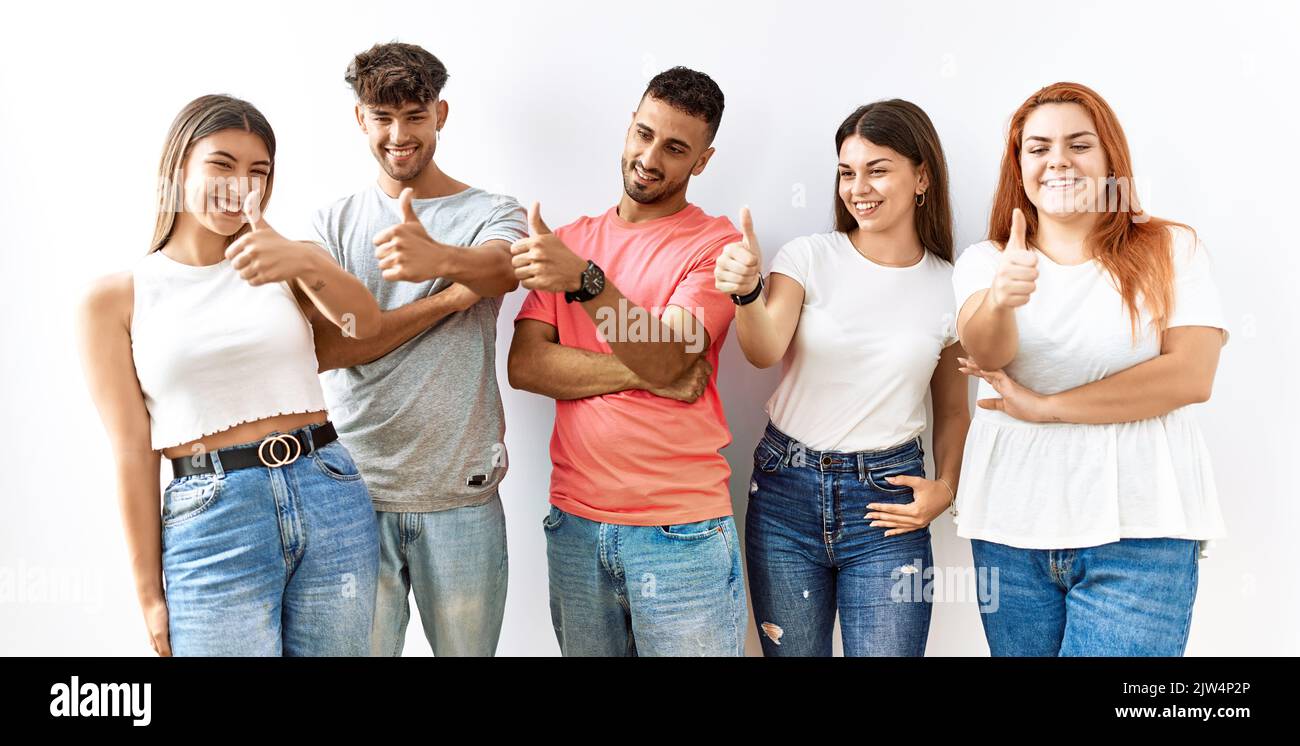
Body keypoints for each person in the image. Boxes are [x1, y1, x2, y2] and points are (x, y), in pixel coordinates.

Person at [75, 94, 382, 656]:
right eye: (222, 164)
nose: (241, 185)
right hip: (212, 518)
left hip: (330, 493)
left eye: (258, 171)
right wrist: (148, 593)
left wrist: (304, 261)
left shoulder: (287, 261)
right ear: (178, 167)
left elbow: (364, 325)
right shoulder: (116, 299)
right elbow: (132, 450)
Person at [952, 81, 1229, 656]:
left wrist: (1047, 407)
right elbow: (988, 356)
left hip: (1141, 532)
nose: (1058, 161)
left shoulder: (1171, 249)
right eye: (1039, 148)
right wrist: (1000, 298)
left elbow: (1190, 375)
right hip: (1011, 531)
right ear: (1019, 165)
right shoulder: (986, 261)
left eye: (1079, 145)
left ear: (1110, 160)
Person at [716, 100, 969, 656]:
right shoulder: (807, 256)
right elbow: (763, 350)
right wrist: (748, 293)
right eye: (847, 172)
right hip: (786, 494)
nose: (859, 188)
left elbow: (953, 409)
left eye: (877, 170)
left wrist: (946, 488)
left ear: (922, 177)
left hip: (887, 505)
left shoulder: (951, 286)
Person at [507, 67, 744, 656]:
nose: (649, 158)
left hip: (681, 530)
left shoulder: (714, 246)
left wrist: (585, 283)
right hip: (575, 525)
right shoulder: (569, 241)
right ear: (629, 125)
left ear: (703, 160)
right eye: (644, 134)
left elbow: (666, 354)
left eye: (675, 148)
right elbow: (527, 365)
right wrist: (648, 374)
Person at [307, 42, 526, 656]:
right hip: (353, 493)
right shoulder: (331, 224)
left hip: (462, 492)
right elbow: (328, 347)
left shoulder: (492, 211)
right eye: (382, 117)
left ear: (441, 115)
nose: (399, 135)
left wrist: (439, 258)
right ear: (360, 119)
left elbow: (504, 269)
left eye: (415, 116)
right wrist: (447, 298)